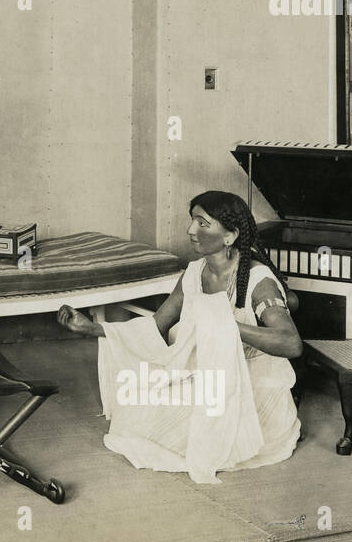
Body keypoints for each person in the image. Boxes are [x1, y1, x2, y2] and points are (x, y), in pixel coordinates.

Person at [57, 190, 302, 483]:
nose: (190, 230)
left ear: (230, 236)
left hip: (251, 381)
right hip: (205, 373)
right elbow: (157, 324)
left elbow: (291, 343)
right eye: (192, 221)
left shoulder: (259, 281)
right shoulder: (194, 272)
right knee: (138, 406)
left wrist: (227, 325)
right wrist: (92, 328)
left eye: (202, 223)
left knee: (195, 430)